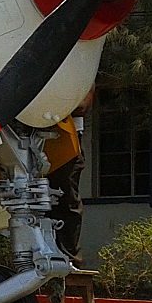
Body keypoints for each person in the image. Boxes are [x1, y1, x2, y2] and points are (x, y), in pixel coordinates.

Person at [46, 88, 93, 268]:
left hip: (66, 139)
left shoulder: (80, 71)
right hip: (31, 137)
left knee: (65, 196)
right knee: (38, 199)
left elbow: (82, 106)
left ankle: (69, 258)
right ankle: (44, 255)